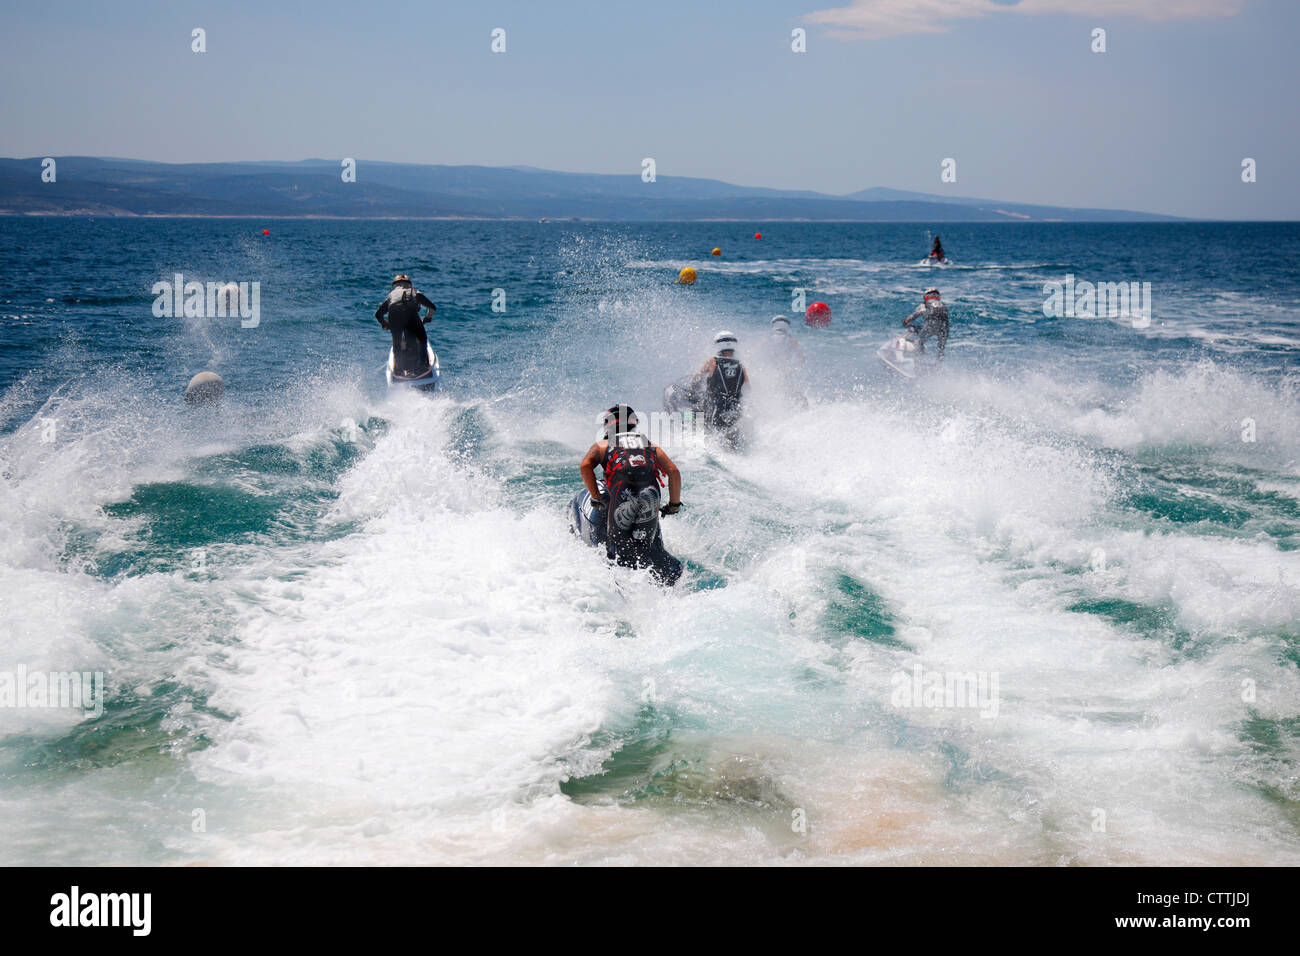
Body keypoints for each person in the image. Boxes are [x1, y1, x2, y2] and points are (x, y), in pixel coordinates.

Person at [579, 405, 683, 581]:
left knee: (615, 550)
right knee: (650, 548)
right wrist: (673, 504)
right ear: (634, 423)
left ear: (607, 425)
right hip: (651, 494)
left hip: (622, 495)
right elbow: (673, 471)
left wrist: (596, 497)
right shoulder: (649, 444)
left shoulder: (603, 445)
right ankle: (665, 583)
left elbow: (585, 466)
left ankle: (619, 589)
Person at [690, 331, 750, 444]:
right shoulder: (740, 365)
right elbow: (747, 386)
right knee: (730, 435)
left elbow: (696, 378)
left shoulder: (713, 361)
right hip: (735, 406)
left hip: (716, 405)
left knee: (701, 419)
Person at [375, 274, 436, 376]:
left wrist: (385, 324)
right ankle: (420, 368)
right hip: (410, 314)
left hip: (394, 316)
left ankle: (398, 370)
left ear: (394, 285)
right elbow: (432, 308)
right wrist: (427, 318)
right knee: (422, 339)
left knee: (397, 343)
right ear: (409, 284)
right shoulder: (415, 292)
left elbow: (378, 314)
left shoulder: (390, 296)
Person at [903, 287, 950, 359]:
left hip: (931, 325)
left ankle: (920, 362)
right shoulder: (943, 305)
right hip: (944, 328)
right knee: (941, 350)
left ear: (926, 297)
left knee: (920, 342)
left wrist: (905, 322)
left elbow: (911, 318)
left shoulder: (923, 306)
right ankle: (938, 366)